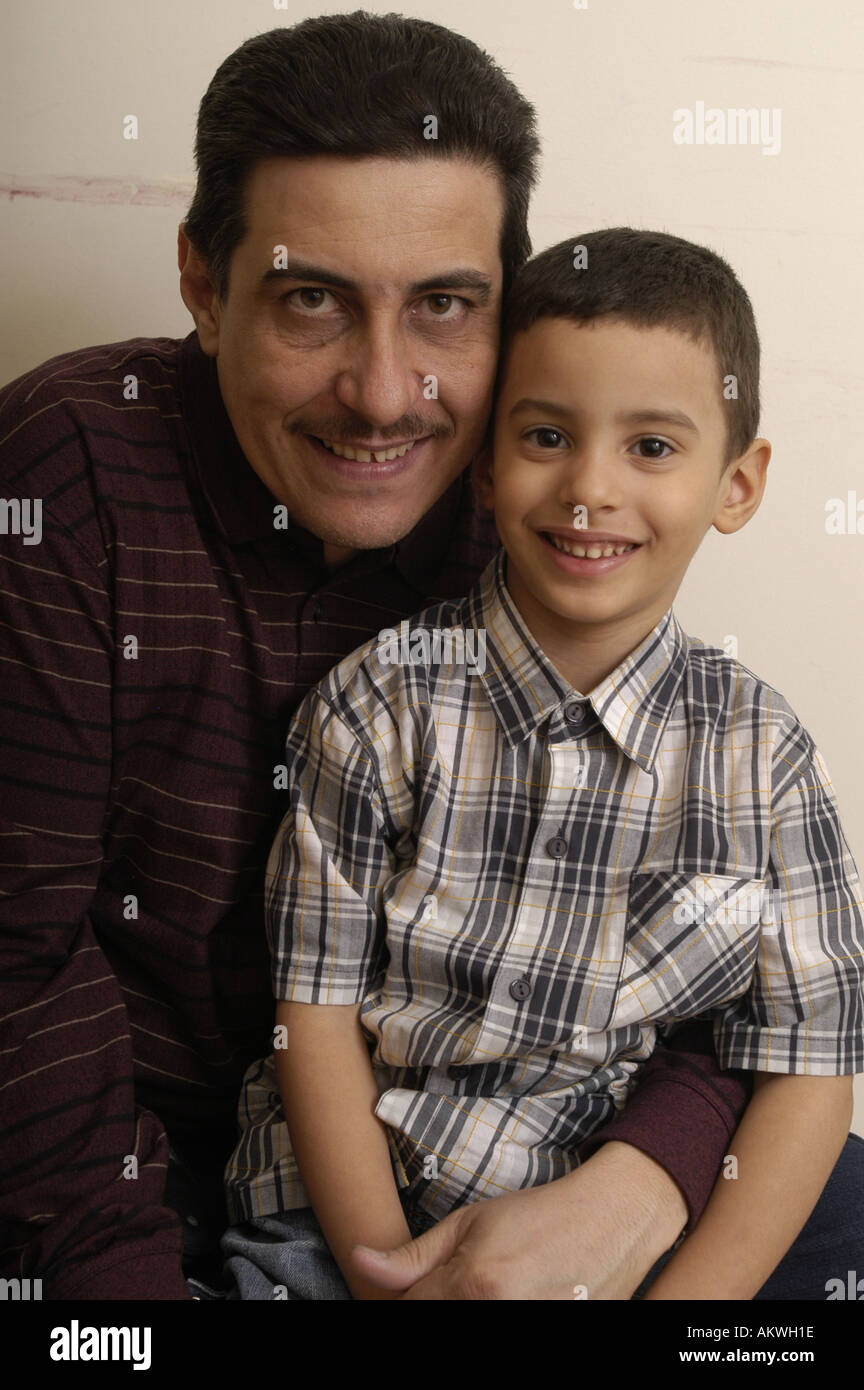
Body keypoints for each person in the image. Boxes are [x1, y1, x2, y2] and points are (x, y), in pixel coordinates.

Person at [0, 14, 842, 1303]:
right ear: (204, 285)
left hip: (544, 1139)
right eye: (311, 300)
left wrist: (634, 1186)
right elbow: (19, 966)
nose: (386, 395)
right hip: (143, 1169)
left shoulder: (553, 503)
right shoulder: (67, 468)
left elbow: (738, 963)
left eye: (445, 306)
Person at [220, 228, 864, 1301]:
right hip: (351, 1221)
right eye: (548, 435)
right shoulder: (382, 702)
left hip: (611, 1233)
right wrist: (388, 1274)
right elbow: (313, 1011)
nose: (589, 489)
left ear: (736, 483)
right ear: (481, 465)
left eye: (652, 448)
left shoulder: (767, 757)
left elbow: (809, 1065)